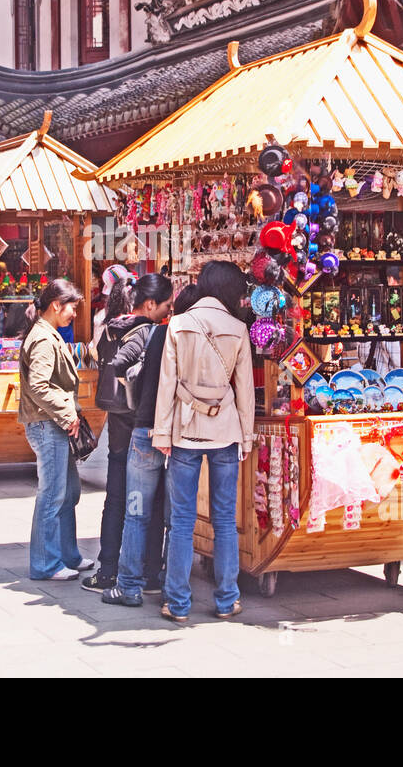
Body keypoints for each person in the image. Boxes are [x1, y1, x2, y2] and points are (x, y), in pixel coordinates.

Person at [154, 261, 254, 622]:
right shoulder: (238, 327)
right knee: (225, 519)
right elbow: (244, 391)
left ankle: (177, 603)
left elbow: (167, 385)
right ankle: (228, 600)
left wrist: (162, 433)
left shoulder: (178, 324)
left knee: (181, 519)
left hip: (186, 429)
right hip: (226, 430)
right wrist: (247, 436)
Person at [103, 284, 198, 608]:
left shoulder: (157, 334)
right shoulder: (196, 341)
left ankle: (129, 587)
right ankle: (172, 592)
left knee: (136, 513)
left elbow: (128, 370)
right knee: (177, 519)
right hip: (182, 436)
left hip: (146, 430)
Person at [83, 273, 174, 593]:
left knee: (118, 497)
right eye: (165, 305)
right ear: (150, 304)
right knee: (149, 497)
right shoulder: (149, 333)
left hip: (116, 418)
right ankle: (149, 571)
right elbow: (123, 366)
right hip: (141, 420)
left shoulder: (109, 327)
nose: (168, 310)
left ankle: (107, 568)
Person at [19, 278, 95, 580]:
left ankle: (67, 555)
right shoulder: (42, 339)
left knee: (70, 492)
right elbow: (38, 385)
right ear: (56, 305)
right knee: (52, 495)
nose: (73, 314)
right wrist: (66, 412)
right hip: (46, 424)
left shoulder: (48, 334)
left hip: (55, 424)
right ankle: (45, 563)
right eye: (71, 308)